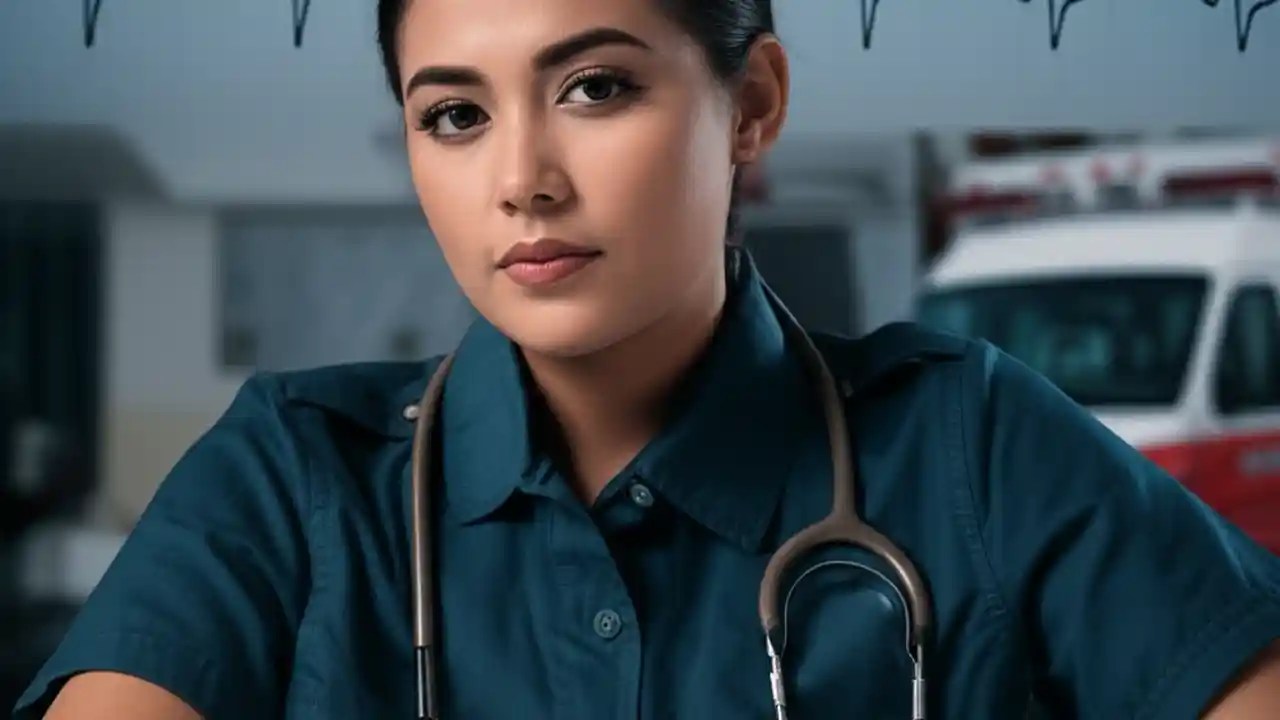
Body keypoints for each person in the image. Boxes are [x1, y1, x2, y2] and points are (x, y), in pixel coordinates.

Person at [14, 0, 1280, 717]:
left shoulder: (973, 447)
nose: (520, 182)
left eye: (596, 88)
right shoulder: (291, 479)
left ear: (753, 104)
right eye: (453, 115)